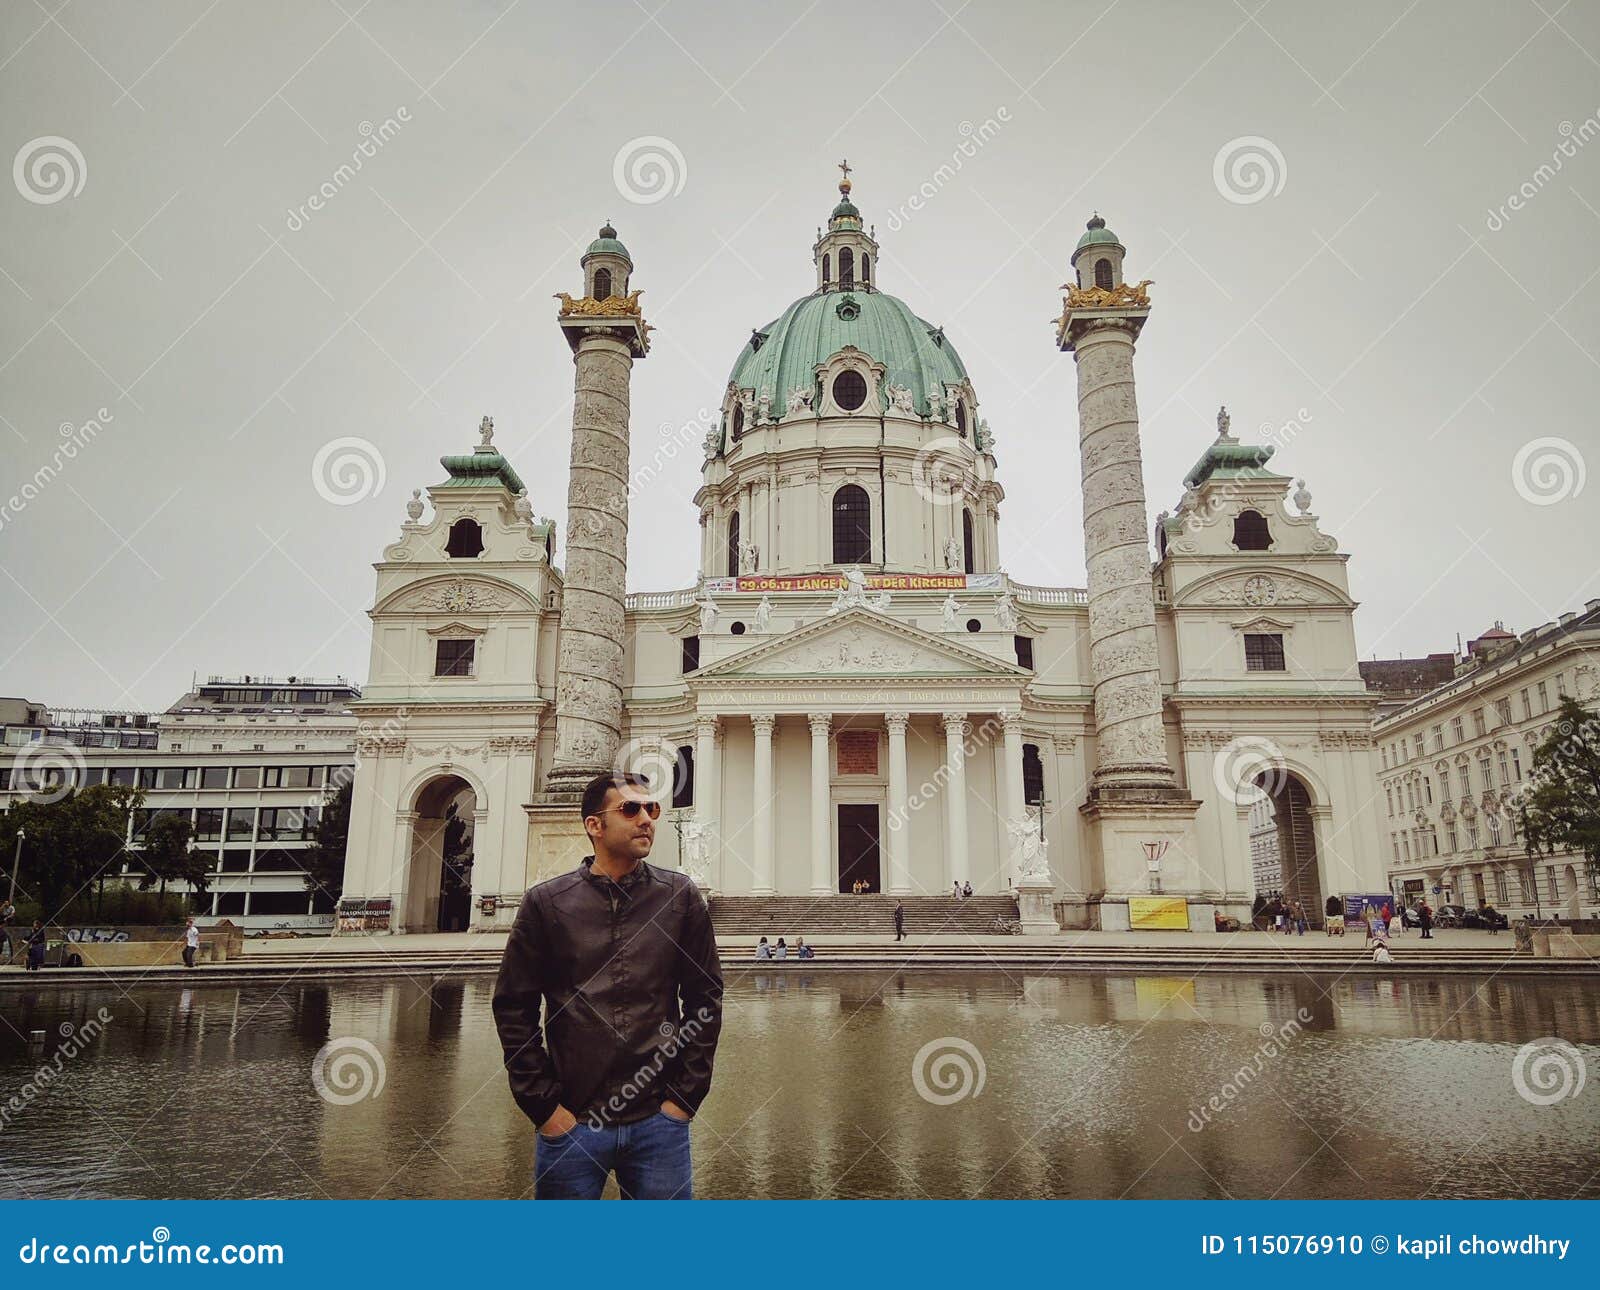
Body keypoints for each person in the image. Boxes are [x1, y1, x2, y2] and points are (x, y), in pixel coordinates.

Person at [492, 771, 723, 1201]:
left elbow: (704, 999)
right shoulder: (546, 903)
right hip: (571, 1123)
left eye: (652, 808)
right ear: (594, 825)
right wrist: (544, 1107)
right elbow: (513, 1007)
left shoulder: (679, 896)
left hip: (659, 1123)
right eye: (631, 809)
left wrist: (684, 1098)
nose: (646, 819)